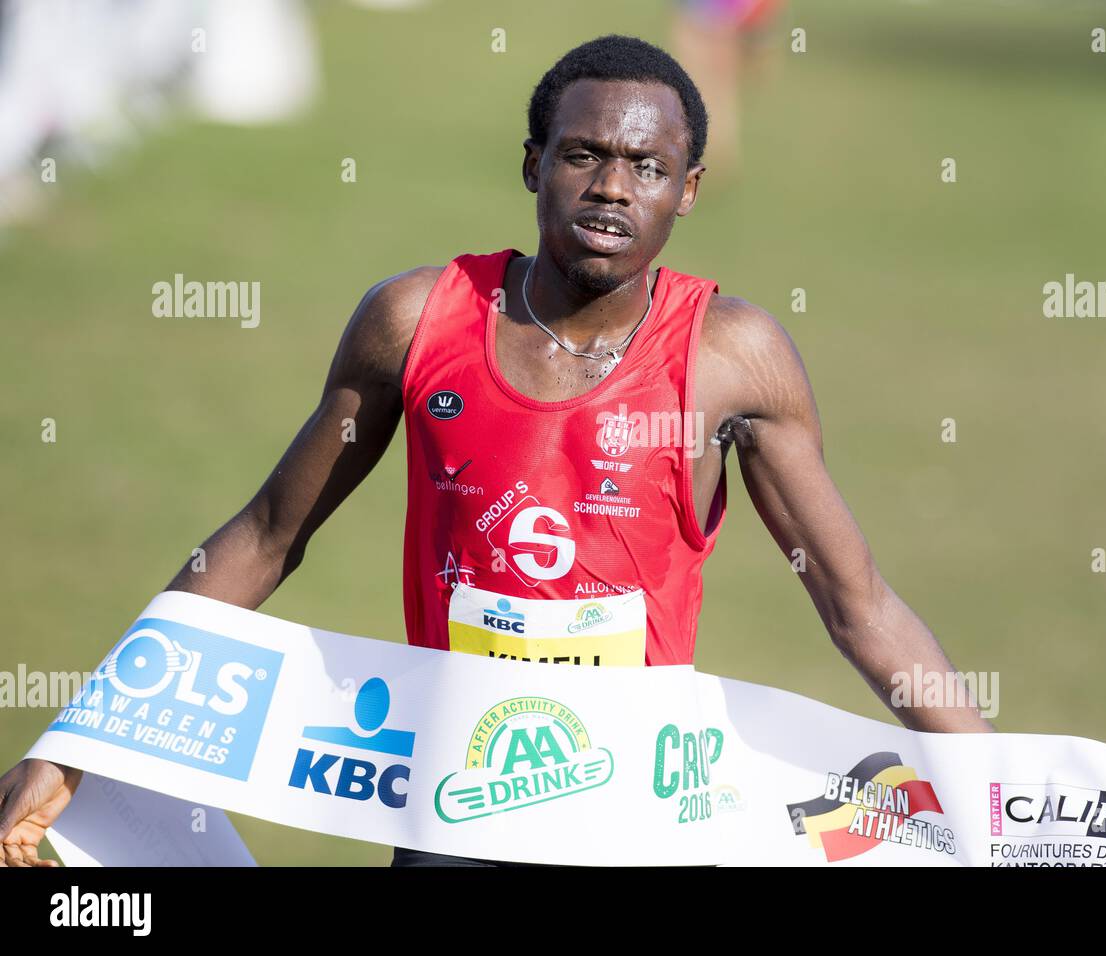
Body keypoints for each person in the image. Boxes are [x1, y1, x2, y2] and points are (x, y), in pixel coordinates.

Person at [0, 34, 992, 869]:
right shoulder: (412, 321)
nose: (610, 187)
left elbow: (857, 605)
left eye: (645, 166)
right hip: (446, 807)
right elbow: (265, 534)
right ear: (532, 163)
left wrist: (1006, 803)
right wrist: (84, 732)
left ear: (688, 188)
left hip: (636, 823)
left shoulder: (731, 356)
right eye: (582, 154)